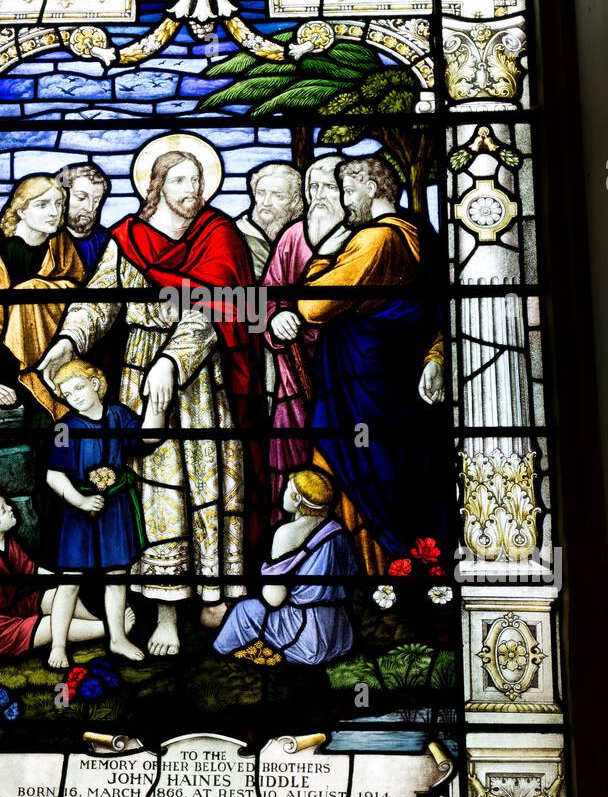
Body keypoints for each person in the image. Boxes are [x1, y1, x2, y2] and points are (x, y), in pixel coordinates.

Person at [38, 135, 267, 657]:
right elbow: (99, 301)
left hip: (201, 380)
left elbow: (222, 309)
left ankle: (214, 592)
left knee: (208, 489)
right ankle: (164, 612)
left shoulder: (220, 236)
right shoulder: (129, 239)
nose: (195, 188)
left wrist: (172, 363)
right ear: (157, 185)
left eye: (199, 179)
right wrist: (67, 343)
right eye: (182, 179)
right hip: (138, 373)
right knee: (155, 493)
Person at [297, 155, 447, 573]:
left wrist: (322, 260)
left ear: (372, 187)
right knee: (398, 476)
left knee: (363, 476)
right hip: (399, 387)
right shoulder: (422, 235)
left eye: (348, 190)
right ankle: (409, 571)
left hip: (365, 390)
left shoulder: (376, 240)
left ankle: (377, 578)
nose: (345, 203)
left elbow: (313, 306)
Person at [46, 358, 165, 661]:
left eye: (79, 388)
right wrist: (80, 500)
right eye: (68, 394)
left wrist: (159, 403)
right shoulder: (64, 427)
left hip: (114, 506)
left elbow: (146, 440)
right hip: (79, 510)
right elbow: (53, 474)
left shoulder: (120, 415)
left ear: (95, 384)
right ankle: (58, 644)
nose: (75, 397)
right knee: (70, 580)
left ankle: (118, 639)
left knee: (117, 575)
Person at [262, 155, 345, 512]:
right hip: (293, 373)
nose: (321, 196)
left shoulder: (365, 238)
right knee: (291, 453)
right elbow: (266, 295)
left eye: (330, 187)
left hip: (348, 372)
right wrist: (275, 318)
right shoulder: (293, 237)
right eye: (314, 187)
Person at [0, 175, 85, 421]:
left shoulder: (64, 248)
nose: (54, 213)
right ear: (20, 209)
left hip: (55, 364)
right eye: (42, 205)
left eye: (59, 204)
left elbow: (84, 307)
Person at [213, 470, 355, 666]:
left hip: (304, 636)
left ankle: (219, 659)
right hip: (339, 633)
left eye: (287, 489)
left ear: (297, 499)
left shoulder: (286, 534)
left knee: (243, 610)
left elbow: (274, 598)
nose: (283, 493)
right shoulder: (337, 531)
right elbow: (350, 580)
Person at [0, 491, 107, 677]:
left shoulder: (9, 544)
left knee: (57, 595)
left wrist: (64, 580)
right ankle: (108, 628)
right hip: (0, 631)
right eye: (4, 510)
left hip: (16, 609)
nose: (11, 509)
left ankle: (100, 620)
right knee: (51, 624)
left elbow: (33, 570)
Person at [235, 162, 303, 278]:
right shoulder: (235, 233)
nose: (266, 203)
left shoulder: (304, 234)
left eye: (278, 196)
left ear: (295, 199)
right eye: (260, 193)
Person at [55, 161, 111, 274]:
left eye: (96, 200)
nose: (90, 208)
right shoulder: (47, 240)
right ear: (62, 196)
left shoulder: (109, 242)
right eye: (81, 197)